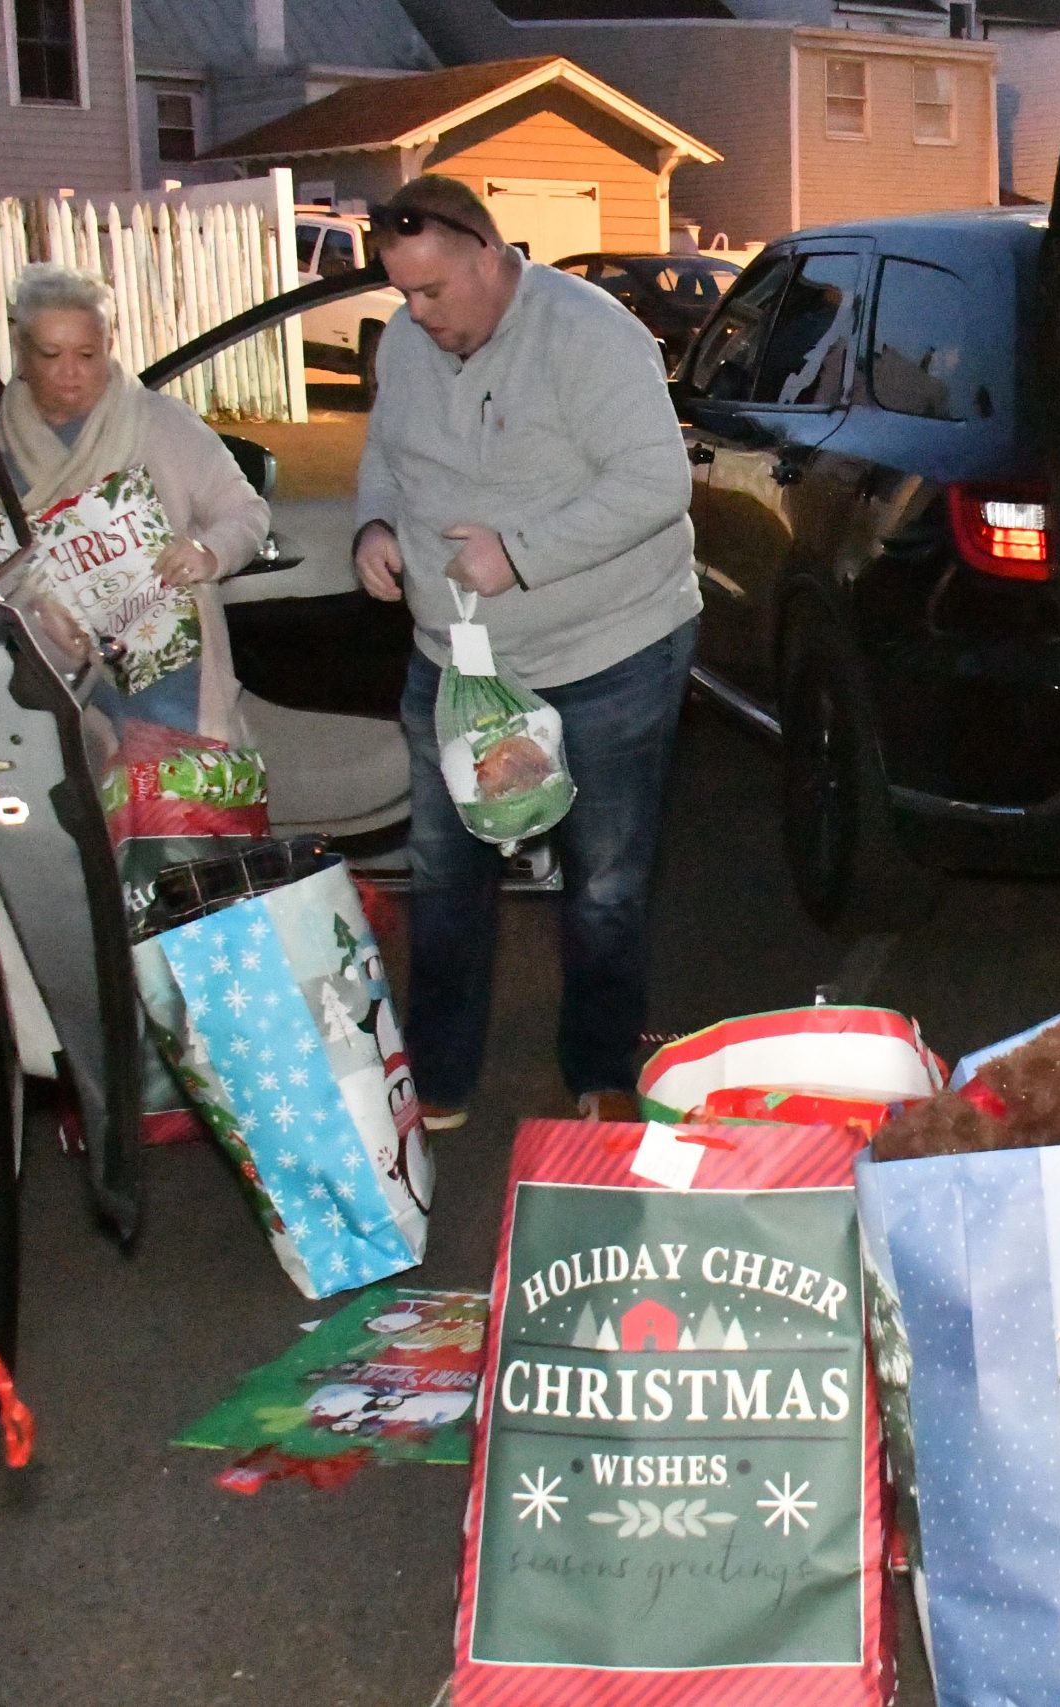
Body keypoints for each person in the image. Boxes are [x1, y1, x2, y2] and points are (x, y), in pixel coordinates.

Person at [351, 175, 700, 1132]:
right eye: (404, 294)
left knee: (603, 883)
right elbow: (386, 448)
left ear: (488, 254)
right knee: (445, 870)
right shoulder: (414, 347)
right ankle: (441, 1080)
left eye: (433, 292)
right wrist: (375, 523)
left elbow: (657, 482)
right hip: (456, 661)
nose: (417, 315)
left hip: (608, 648)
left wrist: (521, 554)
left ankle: (598, 1066)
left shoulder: (589, 336)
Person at [0, 264, 269, 740]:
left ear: (109, 347)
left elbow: (247, 512)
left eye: (87, 353)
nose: (70, 372)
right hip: (48, 691)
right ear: (22, 354)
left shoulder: (162, 424)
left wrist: (209, 552)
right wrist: (37, 610)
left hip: (170, 689)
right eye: (51, 354)